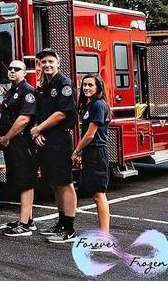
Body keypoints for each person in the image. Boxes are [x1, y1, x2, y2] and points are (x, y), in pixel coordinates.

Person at [31, 48, 78, 244]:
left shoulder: (64, 84)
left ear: (58, 63)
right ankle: (60, 223)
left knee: (65, 183)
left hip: (61, 139)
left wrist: (38, 129)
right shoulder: (43, 86)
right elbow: (39, 113)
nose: (47, 65)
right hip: (47, 139)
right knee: (55, 183)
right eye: (43, 62)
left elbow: (61, 114)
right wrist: (38, 131)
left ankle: (69, 228)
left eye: (51, 61)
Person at [0, 59, 39, 237]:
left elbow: (24, 119)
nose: (12, 71)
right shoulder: (11, 91)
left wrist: (7, 137)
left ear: (24, 73)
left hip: (22, 142)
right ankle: (27, 220)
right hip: (12, 143)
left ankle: (24, 225)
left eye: (16, 69)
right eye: (10, 68)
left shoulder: (28, 91)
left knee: (25, 181)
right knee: (20, 180)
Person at [72, 74, 111, 232]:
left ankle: (104, 235)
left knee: (99, 195)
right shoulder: (91, 105)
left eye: (90, 85)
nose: (86, 88)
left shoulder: (98, 105)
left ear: (98, 88)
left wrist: (76, 151)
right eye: (84, 85)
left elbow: (90, 134)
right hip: (91, 152)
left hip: (97, 152)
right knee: (96, 195)